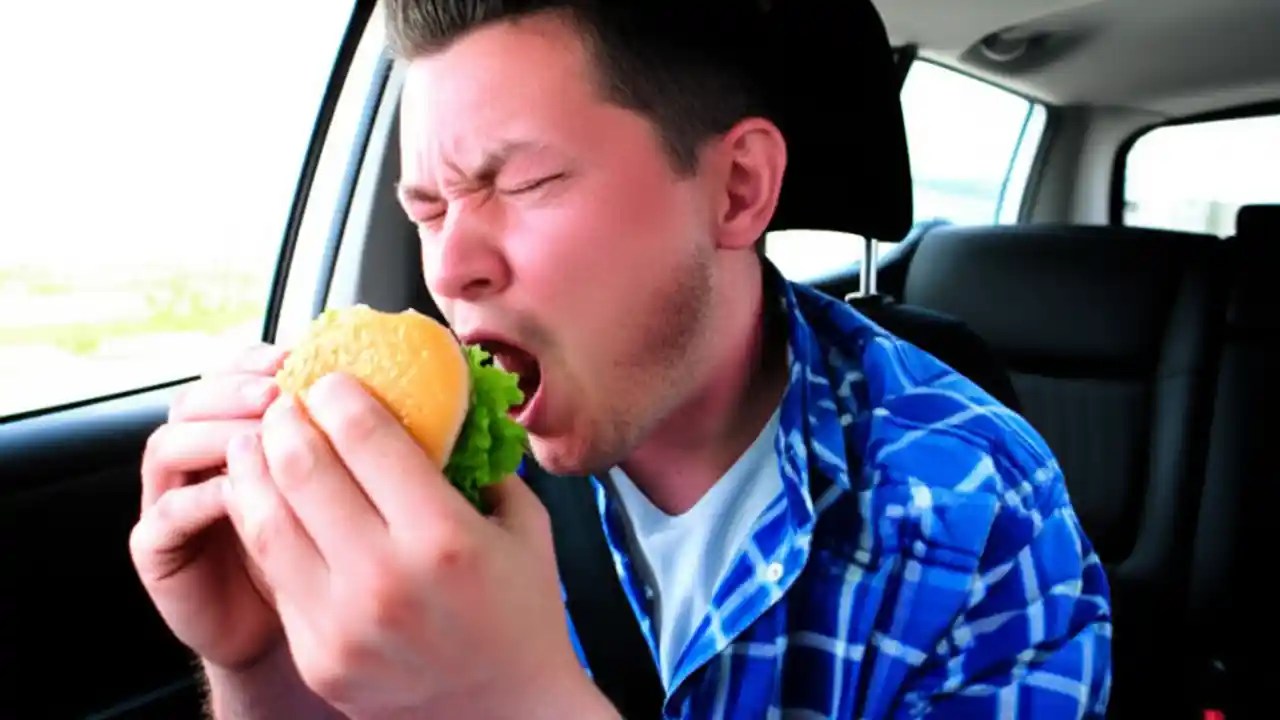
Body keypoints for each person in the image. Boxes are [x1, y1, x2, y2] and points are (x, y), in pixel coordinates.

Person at [129, 1, 1113, 718]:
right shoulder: (416, 485)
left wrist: (517, 704)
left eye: (525, 181)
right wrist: (263, 669)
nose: (450, 269)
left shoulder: (974, 502)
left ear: (734, 189)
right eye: (426, 210)